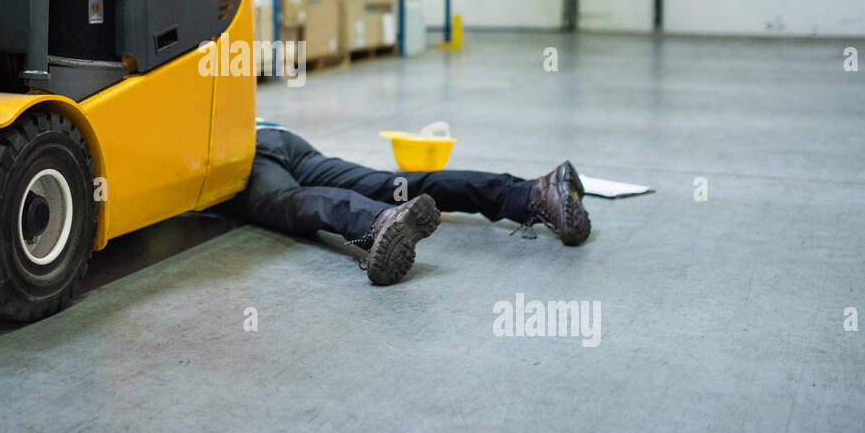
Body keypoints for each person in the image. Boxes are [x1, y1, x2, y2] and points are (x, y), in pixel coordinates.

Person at [226, 121, 591, 285]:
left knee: (285, 201)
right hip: (277, 134)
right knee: (390, 183)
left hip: (233, 151)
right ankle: (537, 192)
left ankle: (380, 222)